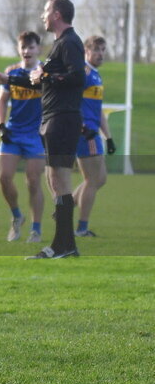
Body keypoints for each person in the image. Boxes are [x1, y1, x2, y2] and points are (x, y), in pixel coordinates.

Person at [0, 0, 85, 259]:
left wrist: (47, 76)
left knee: (58, 179)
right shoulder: (60, 44)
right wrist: (8, 78)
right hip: (55, 119)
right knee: (54, 179)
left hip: (62, 118)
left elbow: (77, 78)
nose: (43, 15)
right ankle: (65, 244)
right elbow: (41, 83)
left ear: (58, 14)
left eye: (46, 11)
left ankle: (63, 245)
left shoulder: (70, 42)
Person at [0, 31, 46, 244]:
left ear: (38, 49)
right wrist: (1, 125)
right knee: (3, 177)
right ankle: (16, 215)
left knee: (33, 180)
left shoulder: (43, 72)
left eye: (31, 47)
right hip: (14, 132)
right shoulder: (11, 72)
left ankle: (36, 229)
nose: (26, 51)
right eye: (23, 47)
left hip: (36, 136)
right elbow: (2, 101)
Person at [73, 35, 114, 238]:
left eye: (103, 50)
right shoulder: (84, 72)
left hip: (93, 133)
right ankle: (81, 228)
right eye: (96, 49)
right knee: (92, 179)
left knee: (101, 179)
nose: (100, 54)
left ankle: (67, 204)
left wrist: (109, 137)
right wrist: (81, 126)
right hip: (85, 133)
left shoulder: (96, 75)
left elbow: (98, 110)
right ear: (86, 51)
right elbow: (71, 101)